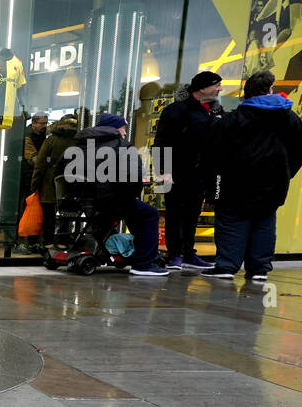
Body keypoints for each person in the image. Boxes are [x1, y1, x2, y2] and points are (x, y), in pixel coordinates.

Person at [201, 70, 302, 280]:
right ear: (270, 90)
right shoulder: (289, 118)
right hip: (273, 184)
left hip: (234, 184)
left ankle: (226, 266)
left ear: (247, 94)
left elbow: (213, 154)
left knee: (232, 221)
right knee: (264, 222)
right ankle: (259, 269)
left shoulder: (232, 120)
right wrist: (285, 173)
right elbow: (299, 152)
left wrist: (214, 184)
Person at [70, 112, 168, 276]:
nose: (124, 132)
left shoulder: (78, 146)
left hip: (82, 203)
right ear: (115, 129)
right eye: (123, 128)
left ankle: (128, 251)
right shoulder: (121, 146)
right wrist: (135, 191)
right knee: (148, 213)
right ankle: (143, 263)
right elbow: (133, 178)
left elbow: (61, 173)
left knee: (132, 211)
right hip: (111, 202)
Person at [153, 70, 224, 271]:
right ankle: (174, 254)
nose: (220, 88)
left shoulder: (216, 111)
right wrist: (163, 171)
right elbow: (160, 142)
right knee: (175, 213)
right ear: (202, 88)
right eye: (216, 84)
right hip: (177, 172)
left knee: (193, 214)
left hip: (203, 173)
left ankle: (188, 253)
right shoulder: (175, 111)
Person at [31, 114, 78, 248]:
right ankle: (63, 241)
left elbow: (40, 164)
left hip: (50, 183)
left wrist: (35, 184)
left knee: (49, 214)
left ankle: (48, 243)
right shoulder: (78, 141)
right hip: (71, 181)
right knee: (66, 213)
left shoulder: (51, 140)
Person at [12, 112, 48, 252]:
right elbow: (32, 158)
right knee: (25, 211)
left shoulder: (39, 135)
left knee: (31, 212)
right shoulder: (28, 136)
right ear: (33, 123)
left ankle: (30, 241)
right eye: (42, 123)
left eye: (46, 123)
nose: (45, 126)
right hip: (26, 178)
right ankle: (22, 241)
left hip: (32, 178)